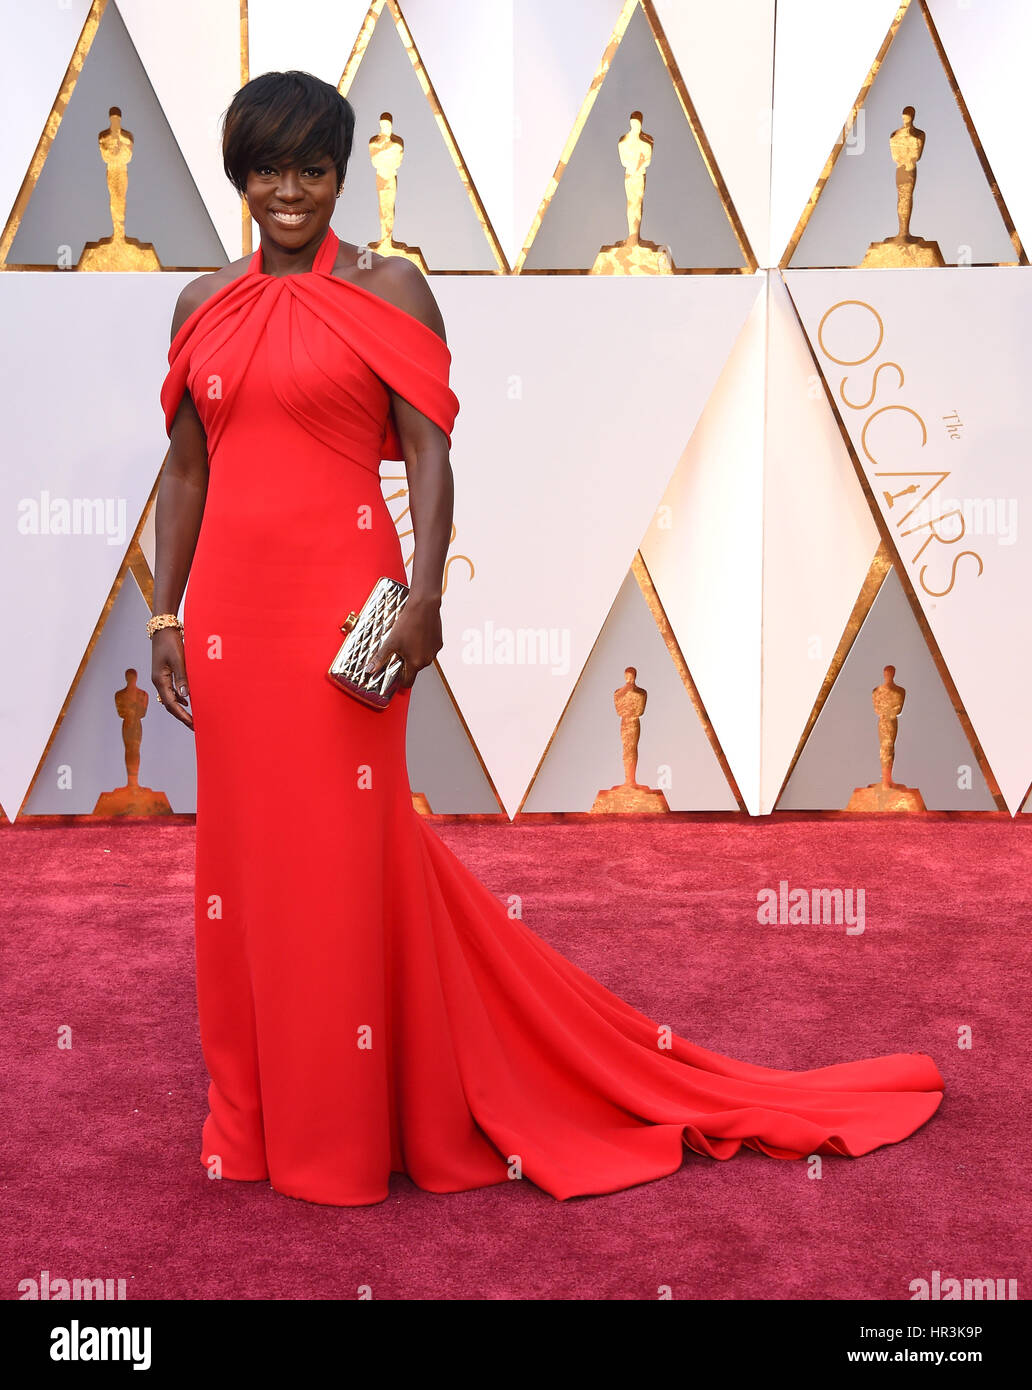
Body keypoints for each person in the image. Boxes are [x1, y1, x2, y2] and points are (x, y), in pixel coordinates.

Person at [151, 70, 944, 1207]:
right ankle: (254, 1117)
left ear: (340, 176)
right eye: (268, 168)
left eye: (312, 168)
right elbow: (186, 468)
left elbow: (430, 457)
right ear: (240, 175)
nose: (290, 189)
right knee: (242, 862)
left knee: (339, 853)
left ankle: (341, 1129)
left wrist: (423, 599)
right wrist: (167, 609)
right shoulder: (199, 305)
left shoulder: (395, 291)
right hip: (230, 617)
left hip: (345, 613)